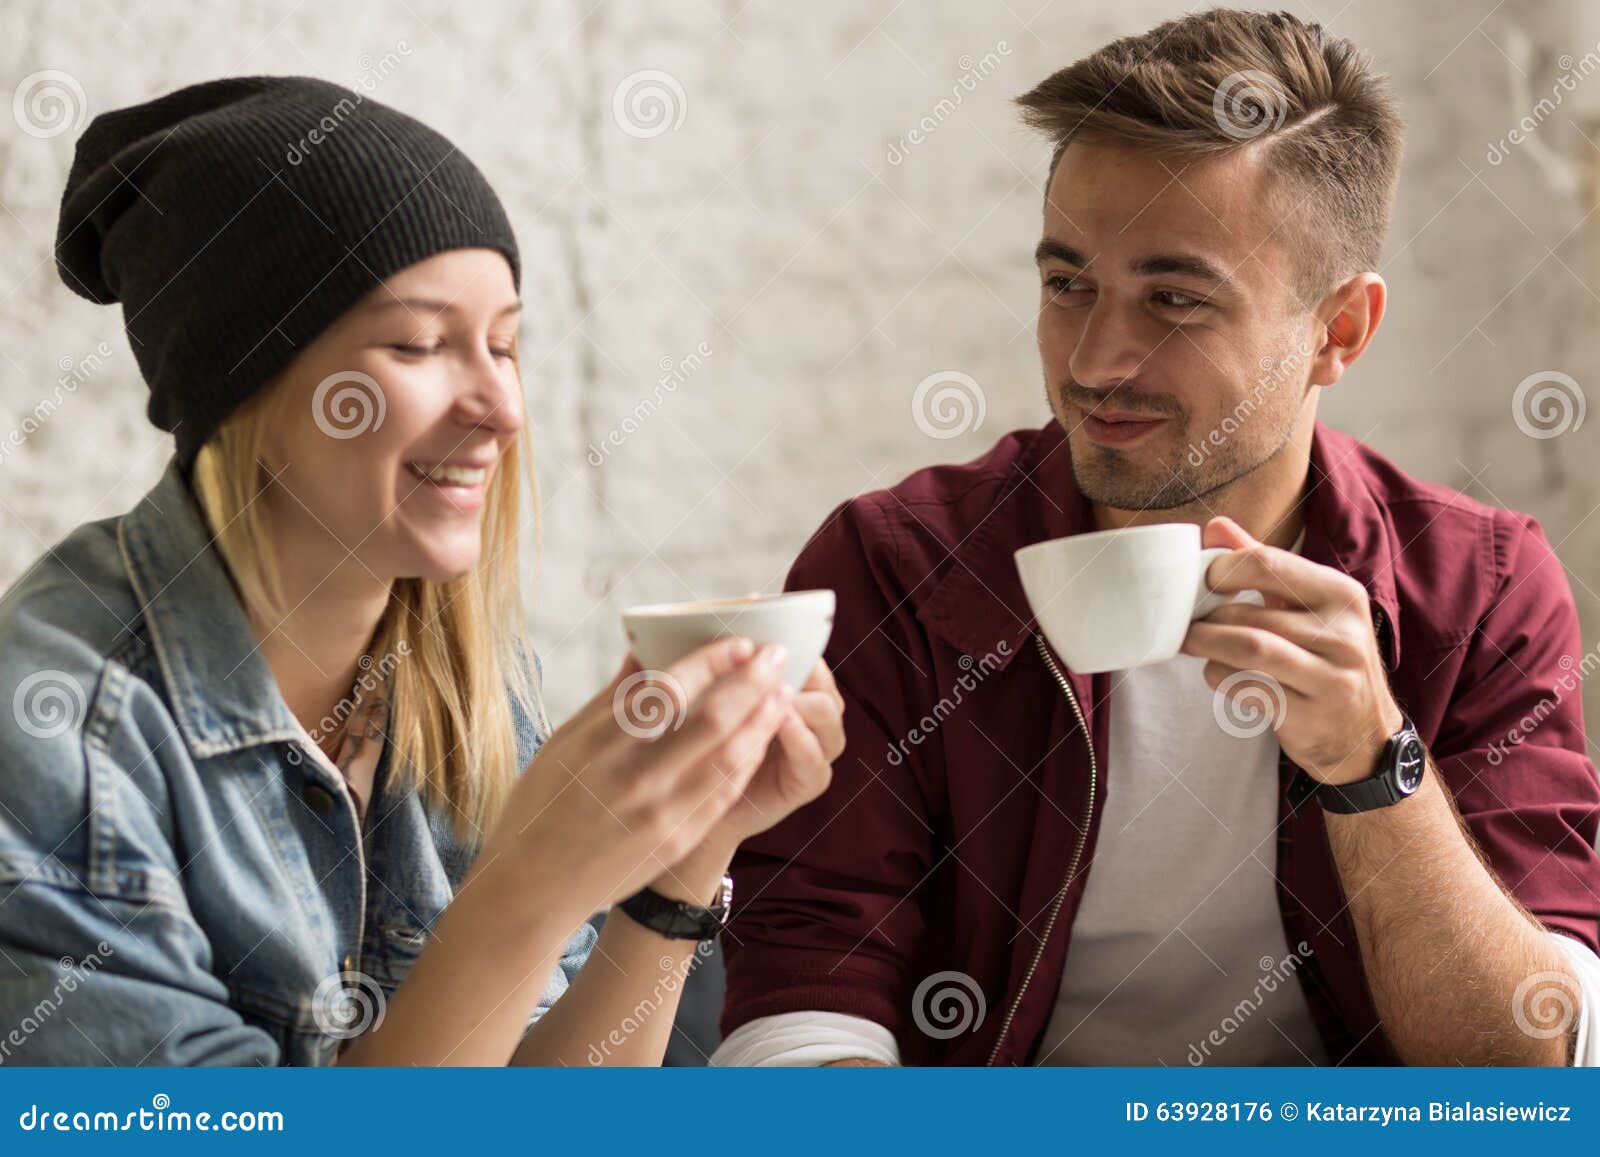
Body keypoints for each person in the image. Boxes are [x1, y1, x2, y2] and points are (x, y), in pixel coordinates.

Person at [716, 9, 1600, 1067]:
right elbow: (805, 1003)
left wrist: (1372, 766)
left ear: (1339, 332)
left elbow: (1527, 1075)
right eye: (1066, 284)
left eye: (1173, 300)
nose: (1094, 359)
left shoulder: (1480, 589)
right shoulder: (898, 567)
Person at [0, 76, 842, 1066]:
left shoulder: (458, 675)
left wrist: (691, 853)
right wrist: (530, 886)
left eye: (505, 343)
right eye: (417, 343)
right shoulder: (56, 732)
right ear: (247, 382)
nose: (502, 405)